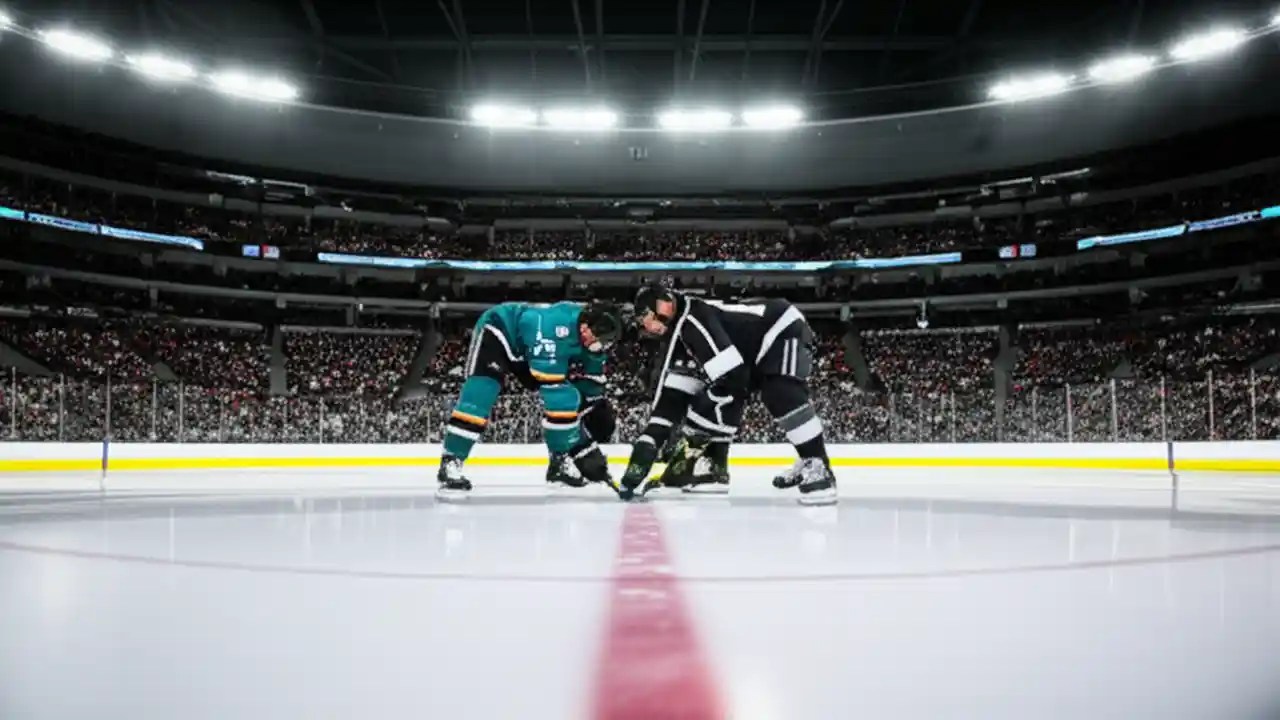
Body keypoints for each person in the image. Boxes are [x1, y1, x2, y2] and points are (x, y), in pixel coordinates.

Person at [619, 286, 837, 504]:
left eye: (647, 317)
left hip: (781, 327)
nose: (648, 325)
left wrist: (695, 430)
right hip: (750, 353)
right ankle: (714, 468)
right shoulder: (679, 335)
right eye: (643, 321)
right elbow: (672, 398)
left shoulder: (695, 321)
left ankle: (817, 463)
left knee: (779, 392)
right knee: (718, 393)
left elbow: (734, 380)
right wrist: (648, 444)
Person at [438, 300, 622, 494]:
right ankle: (451, 460)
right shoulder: (553, 328)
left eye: (600, 341)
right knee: (481, 393)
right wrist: (584, 451)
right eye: (593, 336)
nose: (593, 343)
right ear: (584, 324)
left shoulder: (593, 341)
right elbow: (557, 396)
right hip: (500, 332)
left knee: (568, 399)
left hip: (531, 350)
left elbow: (591, 388)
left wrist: (593, 407)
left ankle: (558, 462)